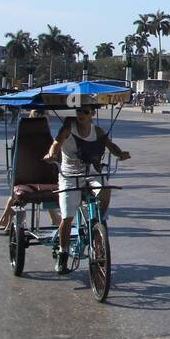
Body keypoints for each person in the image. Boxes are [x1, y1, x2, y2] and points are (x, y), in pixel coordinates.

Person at [43, 104, 130, 274]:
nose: (80, 114)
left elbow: (111, 145)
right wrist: (52, 154)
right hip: (69, 175)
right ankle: (63, 254)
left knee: (105, 189)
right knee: (67, 216)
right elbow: (57, 143)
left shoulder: (96, 131)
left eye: (85, 111)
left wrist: (121, 154)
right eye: (78, 111)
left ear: (92, 114)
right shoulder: (68, 128)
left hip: (91, 173)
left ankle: (98, 222)